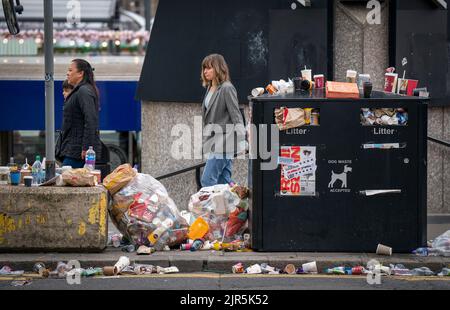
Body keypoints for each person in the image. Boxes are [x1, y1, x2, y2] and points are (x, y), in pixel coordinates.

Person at [200, 54, 245, 187]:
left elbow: (236, 115)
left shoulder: (227, 88)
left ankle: (211, 208)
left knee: (207, 180)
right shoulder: (209, 88)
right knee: (223, 181)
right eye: (204, 68)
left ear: (218, 68)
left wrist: (242, 140)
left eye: (209, 68)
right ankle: (238, 203)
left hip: (225, 142)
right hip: (214, 141)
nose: (205, 71)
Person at [59, 59, 101, 169]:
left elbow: (90, 119)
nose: (67, 73)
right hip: (74, 149)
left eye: (70, 70)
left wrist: (86, 147)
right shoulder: (81, 90)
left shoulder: (83, 91)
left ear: (80, 73)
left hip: (78, 152)